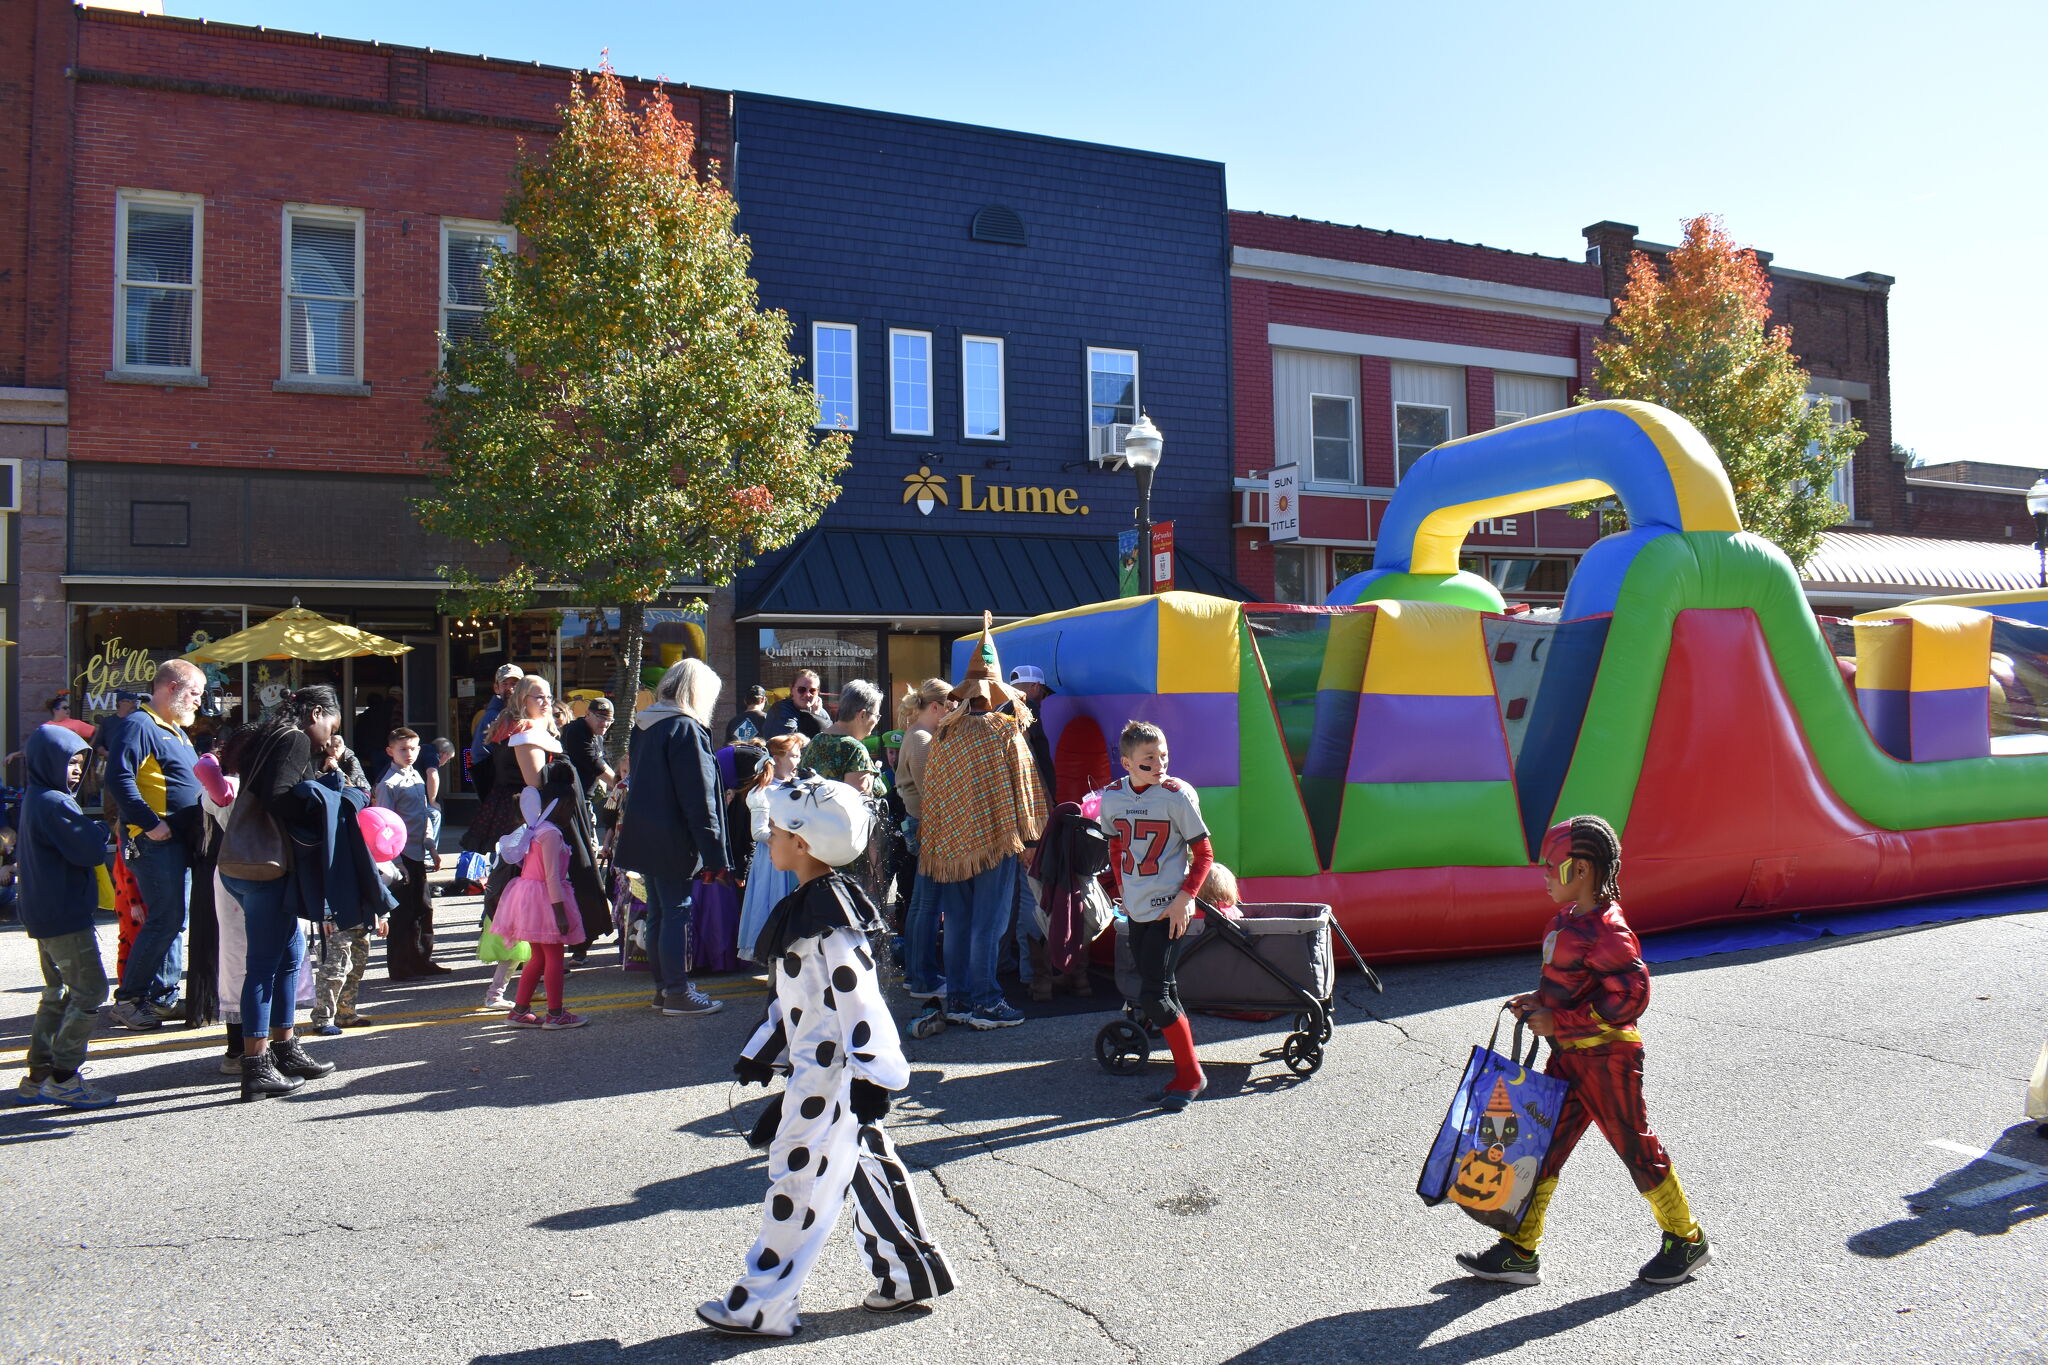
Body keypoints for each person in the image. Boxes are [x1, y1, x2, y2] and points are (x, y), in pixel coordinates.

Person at [702, 775, 953, 1337]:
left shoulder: (829, 920)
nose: (767, 838)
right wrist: (761, 1053)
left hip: (832, 1076)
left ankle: (760, 1303)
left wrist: (873, 1074)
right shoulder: (810, 908)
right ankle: (910, 1272)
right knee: (862, 1163)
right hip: (826, 1070)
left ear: (805, 842)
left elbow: (859, 997)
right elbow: (797, 998)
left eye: (775, 830)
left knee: (797, 1179)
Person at [1456, 814, 1712, 1288]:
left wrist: (1560, 1020)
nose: (1546, 876)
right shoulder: (1566, 921)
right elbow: (1573, 985)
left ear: (1583, 869)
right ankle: (1521, 1251)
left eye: (1552, 866)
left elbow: (1631, 997)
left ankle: (1687, 1238)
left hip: (1607, 1059)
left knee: (1634, 1144)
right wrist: (1540, 1004)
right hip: (1568, 1055)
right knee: (1543, 1147)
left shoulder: (1608, 931)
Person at [914, 617, 1046, 1033]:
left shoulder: (944, 735)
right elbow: (1025, 788)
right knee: (988, 924)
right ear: (994, 693)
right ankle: (986, 1001)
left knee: (957, 923)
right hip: (995, 839)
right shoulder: (1005, 732)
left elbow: (933, 793)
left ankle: (959, 999)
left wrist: (933, 840)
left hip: (950, 845)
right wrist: (1031, 838)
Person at [217, 686, 349, 1101]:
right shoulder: (293, 738)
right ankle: (256, 1067)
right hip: (265, 870)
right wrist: (327, 794)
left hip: (245, 865)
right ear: (316, 713)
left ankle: (285, 1049)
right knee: (264, 965)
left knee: (290, 956)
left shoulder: (272, 736)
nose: (330, 735)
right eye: (332, 725)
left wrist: (324, 767)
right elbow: (281, 798)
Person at [1096, 720, 1220, 1111]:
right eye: (1150, 757)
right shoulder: (1113, 796)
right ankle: (1186, 1073)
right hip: (1137, 905)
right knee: (1160, 991)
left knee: (1155, 994)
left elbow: (1204, 855)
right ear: (1128, 762)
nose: (1160, 762)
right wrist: (1121, 889)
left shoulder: (1177, 795)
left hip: (1169, 907)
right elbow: (1116, 846)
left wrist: (1185, 898)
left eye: (1164, 754)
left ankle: (1191, 1075)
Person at [615, 659, 733, 1017]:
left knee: (659, 914)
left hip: (645, 832)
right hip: (673, 835)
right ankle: (677, 992)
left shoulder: (646, 724)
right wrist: (715, 853)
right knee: (675, 912)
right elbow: (699, 797)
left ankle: (666, 989)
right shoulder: (685, 728)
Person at [13, 725, 117, 1109]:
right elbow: (88, 851)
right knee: (90, 991)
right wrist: (102, 828)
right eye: (68, 762)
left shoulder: (35, 797)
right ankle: (64, 1078)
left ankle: (37, 1077)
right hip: (64, 915)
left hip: (42, 913)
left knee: (57, 994)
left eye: (79, 762)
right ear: (46, 763)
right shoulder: (56, 802)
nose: (75, 770)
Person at [105, 659, 205, 1032]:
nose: (200, 701)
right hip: (155, 842)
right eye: (195, 693)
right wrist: (150, 823)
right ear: (172, 688)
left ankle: (162, 998)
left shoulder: (176, 729)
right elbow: (118, 777)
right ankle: (129, 1000)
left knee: (173, 920)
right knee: (165, 919)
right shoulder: (139, 724)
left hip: (176, 841)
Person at [490, 788, 588, 1030]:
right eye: (570, 806)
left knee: (538, 957)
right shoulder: (551, 833)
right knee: (554, 956)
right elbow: (552, 877)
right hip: (546, 899)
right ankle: (556, 1013)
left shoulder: (536, 830)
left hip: (528, 896)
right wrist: (560, 912)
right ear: (558, 807)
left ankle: (520, 1010)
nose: (572, 812)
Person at [892, 679, 951, 1006]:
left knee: (920, 904)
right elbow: (935, 792)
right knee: (928, 905)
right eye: (951, 706)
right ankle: (923, 978)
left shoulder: (917, 734)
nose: (953, 712)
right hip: (928, 826)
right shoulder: (923, 738)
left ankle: (918, 974)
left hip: (920, 824)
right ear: (936, 707)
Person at [374, 728, 442, 979]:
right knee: (403, 915)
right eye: (403, 749)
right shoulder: (387, 784)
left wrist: (431, 846)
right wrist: (396, 863)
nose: (409, 753)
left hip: (417, 852)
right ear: (390, 751)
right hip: (400, 857)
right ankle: (402, 966)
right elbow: (385, 826)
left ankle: (422, 960)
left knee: (423, 909)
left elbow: (423, 814)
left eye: (414, 748)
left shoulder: (416, 776)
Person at [735, 734, 805, 962]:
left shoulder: (797, 786)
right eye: (794, 756)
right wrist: (784, 838)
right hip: (773, 860)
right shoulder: (764, 792)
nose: (798, 760)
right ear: (776, 759)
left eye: (798, 755)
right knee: (774, 905)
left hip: (794, 857)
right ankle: (775, 961)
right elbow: (758, 832)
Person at [804, 681, 883, 795]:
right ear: (862, 714)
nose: (876, 722)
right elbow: (858, 800)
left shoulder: (816, 740)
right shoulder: (855, 749)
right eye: (877, 716)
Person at [560, 696, 617, 816]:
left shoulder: (597, 734)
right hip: (570, 801)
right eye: (600, 717)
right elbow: (594, 763)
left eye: (609, 720)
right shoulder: (577, 730)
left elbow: (602, 761)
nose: (605, 724)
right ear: (587, 714)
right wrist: (621, 785)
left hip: (584, 800)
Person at [764, 670, 832, 738]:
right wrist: (814, 717)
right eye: (801, 689)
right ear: (791, 690)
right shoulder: (781, 710)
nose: (807, 694)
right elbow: (790, 742)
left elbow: (829, 740)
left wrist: (816, 715)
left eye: (812, 691)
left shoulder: (822, 713)